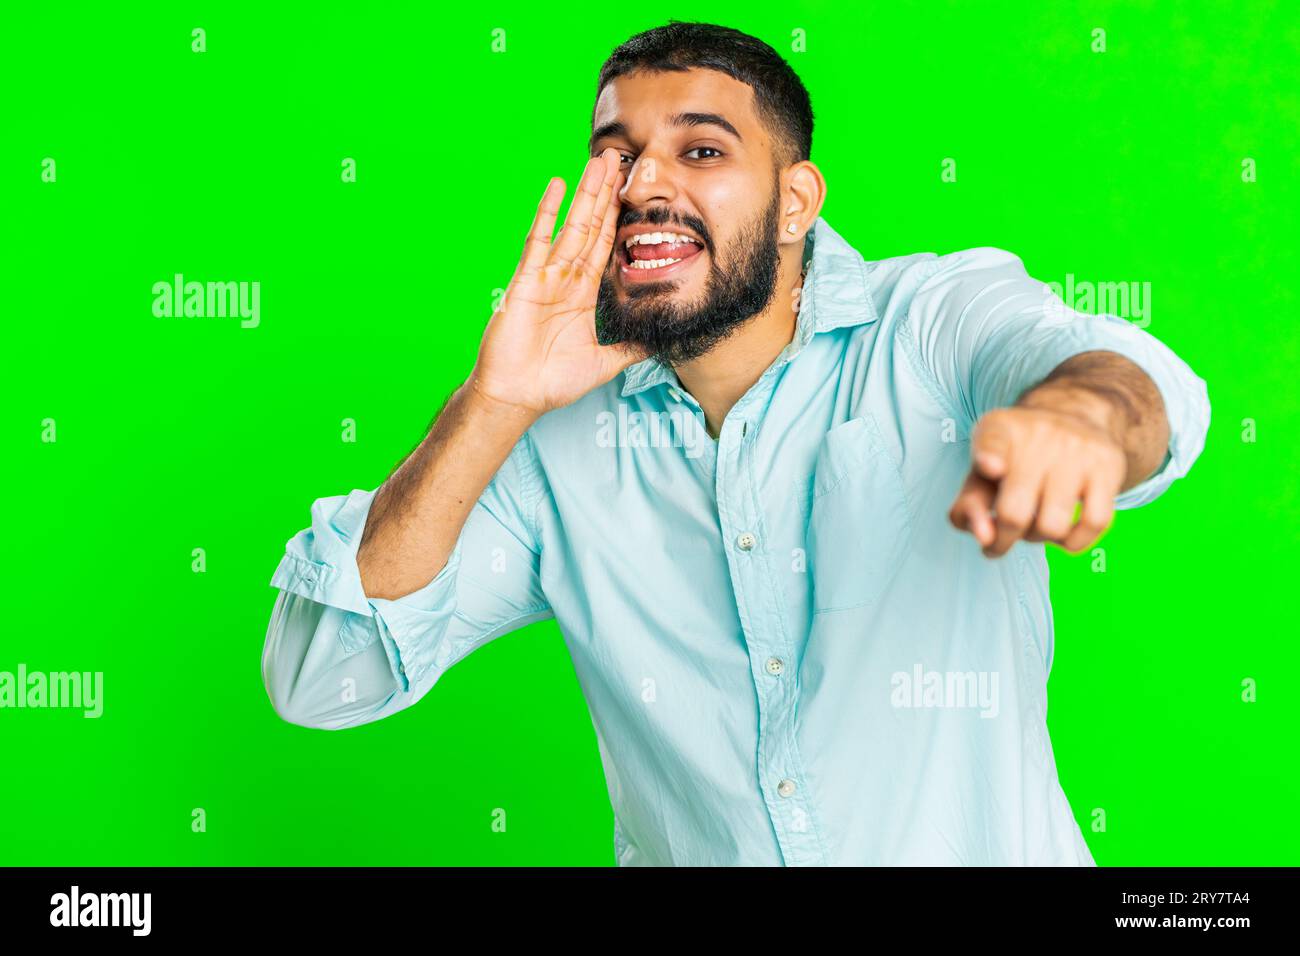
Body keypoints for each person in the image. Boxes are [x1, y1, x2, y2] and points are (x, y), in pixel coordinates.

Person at [261, 21, 1210, 865]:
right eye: (616, 155)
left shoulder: (927, 322)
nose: (642, 185)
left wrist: (1078, 420)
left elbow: (1111, 369)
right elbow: (324, 676)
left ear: (796, 202)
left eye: (702, 151)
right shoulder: (548, 445)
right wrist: (493, 399)